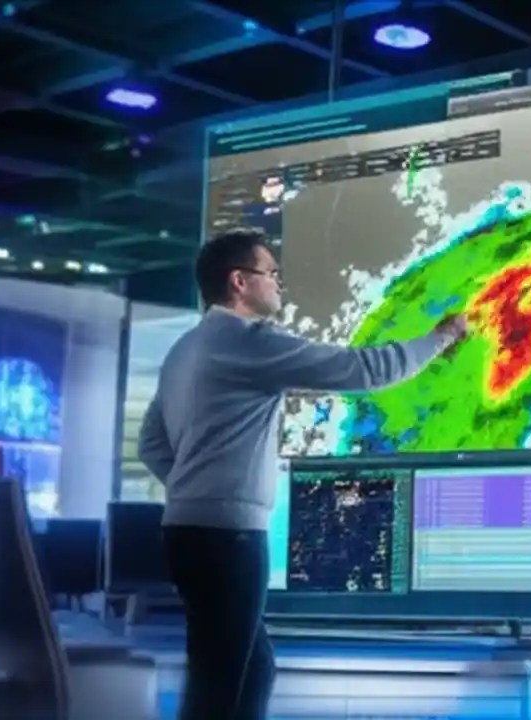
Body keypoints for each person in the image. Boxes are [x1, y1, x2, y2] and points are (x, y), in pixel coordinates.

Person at [137, 228, 466, 720]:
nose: (278, 284)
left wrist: (192, 490)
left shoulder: (184, 349)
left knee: (248, 670)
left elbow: (150, 444)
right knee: (219, 685)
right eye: (271, 274)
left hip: (187, 532)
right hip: (228, 538)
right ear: (239, 281)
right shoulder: (247, 341)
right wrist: (440, 339)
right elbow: (363, 371)